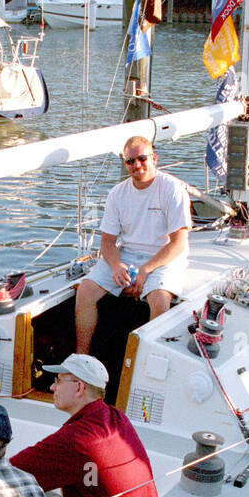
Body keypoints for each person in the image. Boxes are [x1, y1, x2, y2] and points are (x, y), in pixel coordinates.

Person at [10, 354, 159, 497]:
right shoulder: (116, 417)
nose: (52, 388)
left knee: (20, 495)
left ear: (79, 388)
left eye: (58, 381)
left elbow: (8, 475)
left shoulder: (78, 439)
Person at [74, 137, 191, 354]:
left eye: (142, 158)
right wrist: (117, 266)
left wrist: (146, 270)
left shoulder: (172, 189)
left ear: (153, 158)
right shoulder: (117, 194)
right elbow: (108, 242)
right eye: (130, 161)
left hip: (164, 257)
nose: (136, 165)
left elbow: (178, 243)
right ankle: (81, 360)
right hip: (127, 255)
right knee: (85, 291)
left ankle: (148, 363)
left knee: (159, 300)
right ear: (125, 164)